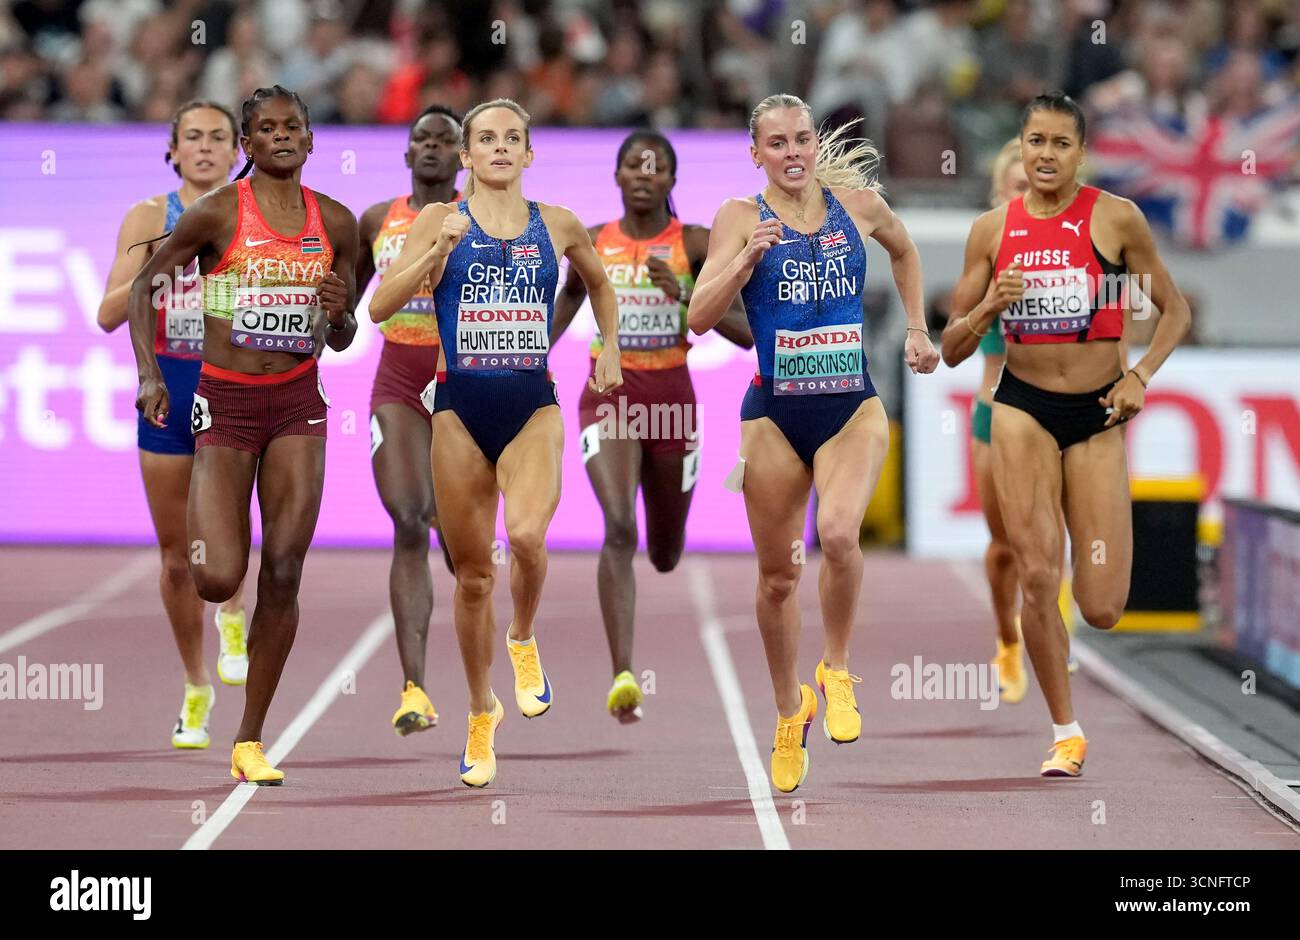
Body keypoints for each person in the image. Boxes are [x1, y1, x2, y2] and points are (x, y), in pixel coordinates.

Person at [688, 94, 938, 793]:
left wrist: (918, 329)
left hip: (850, 407)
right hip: (772, 413)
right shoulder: (739, 218)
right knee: (776, 578)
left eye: (802, 139)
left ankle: (836, 665)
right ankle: (788, 708)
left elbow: (906, 248)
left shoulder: (856, 206)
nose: (793, 152)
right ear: (756, 153)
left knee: (837, 533)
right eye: (777, 143)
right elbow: (701, 316)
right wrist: (743, 263)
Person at [370, 99, 622, 788]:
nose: (501, 148)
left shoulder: (559, 223)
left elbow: (598, 281)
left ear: (530, 154)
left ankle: (523, 637)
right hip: (456, 410)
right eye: (487, 138)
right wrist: (434, 250)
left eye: (514, 138)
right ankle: (481, 713)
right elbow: (379, 306)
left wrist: (610, 350)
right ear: (467, 156)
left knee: (531, 538)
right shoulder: (435, 220)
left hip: (531, 406)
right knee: (474, 574)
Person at [944, 91, 1190, 777]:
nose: (1045, 155)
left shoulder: (1116, 219)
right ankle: (1066, 731)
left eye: (1059, 143)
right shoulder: (993, 230)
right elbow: (952, 348)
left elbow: (1174, 310)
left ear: (1081, 153)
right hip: (1020, 408)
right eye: (1035, 142)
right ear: (1020, 147)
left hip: (1097, 414)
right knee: (1037, 571)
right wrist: (991, 303)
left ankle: (1073, 641)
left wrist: (1139, 374)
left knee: (1103, 605)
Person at [127, 85, 361, 786]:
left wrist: (340, 313)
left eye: (293, 126)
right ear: (248, 145)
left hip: (298, 405)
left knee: (284, 572)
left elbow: (342, 336)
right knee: (216, 576)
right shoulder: (219, 212)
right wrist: (151, 376)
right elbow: (144, 288)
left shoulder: (339, 223)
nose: (282, 136)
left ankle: (251, 738)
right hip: (224, 405)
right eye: (265, 129)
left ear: (311, 139)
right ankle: (225, 562)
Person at [550, 130, 753, 722]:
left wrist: (688, 293)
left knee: (664, 552)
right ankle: (622, 673)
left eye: (656, 167)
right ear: (616, 177)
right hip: (607, 394)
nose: (644, 175)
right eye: (633, 166)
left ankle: (666, 544)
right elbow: (566, 300)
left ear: (671, 180)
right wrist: (528, 358)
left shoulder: (691, 242)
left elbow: (743, 333)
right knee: (618, 527)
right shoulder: (591, 240)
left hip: (672, 402)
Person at [98, 100, 249, 750]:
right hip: (165, 391)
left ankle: (236, 615)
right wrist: (158, 259)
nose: (208, 147)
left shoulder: (254, 212)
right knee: (174, 556)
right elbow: (108, 313)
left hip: (233, 388)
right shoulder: (147, 216)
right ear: (174, 150)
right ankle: (195, 685)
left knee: (234, 526)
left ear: (236, 148)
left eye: (220, 137)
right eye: (195, 137)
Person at [355, 104, 463, 737]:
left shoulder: (481, 218)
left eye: (443, 140)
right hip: (397, 383)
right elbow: (346, 313)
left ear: (461, 156)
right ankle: (414, 687)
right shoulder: (379, 219)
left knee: (462, 549)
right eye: (420, 138)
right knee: (408, 519)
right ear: (406, 155)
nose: (430, 147)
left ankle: (485, 664)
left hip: (462, 383)